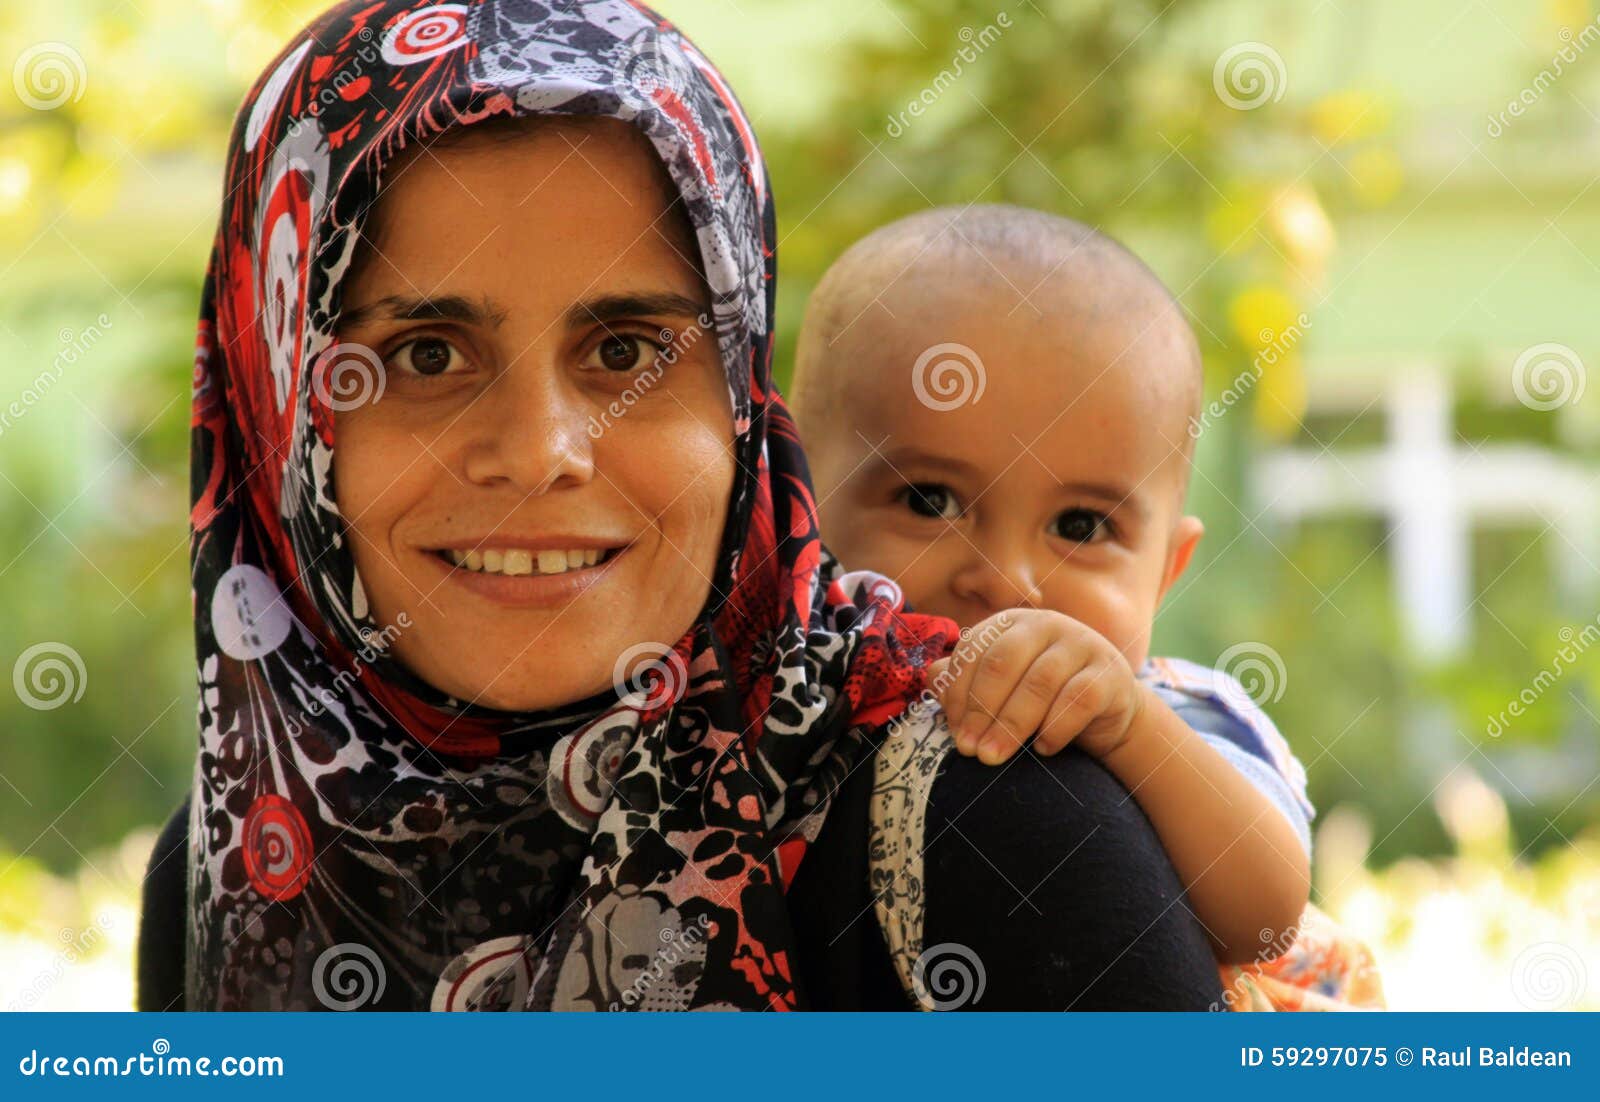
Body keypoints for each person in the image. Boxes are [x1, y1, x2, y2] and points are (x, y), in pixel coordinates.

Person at [136, 0, 1226, 1012]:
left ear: (743, 403)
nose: (542, 452)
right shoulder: (231, 859)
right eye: (427, 352)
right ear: (278, 402)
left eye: (625, 350)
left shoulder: (999, 830)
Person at [790, 204, 1385, 1009]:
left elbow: (1266, 921)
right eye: (929, 500)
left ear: (1166, 570)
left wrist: (1129, 728)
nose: (1007, 581)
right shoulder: (782, 715)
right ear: (796, 508)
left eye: (1081, 526)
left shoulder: (1178, 713)